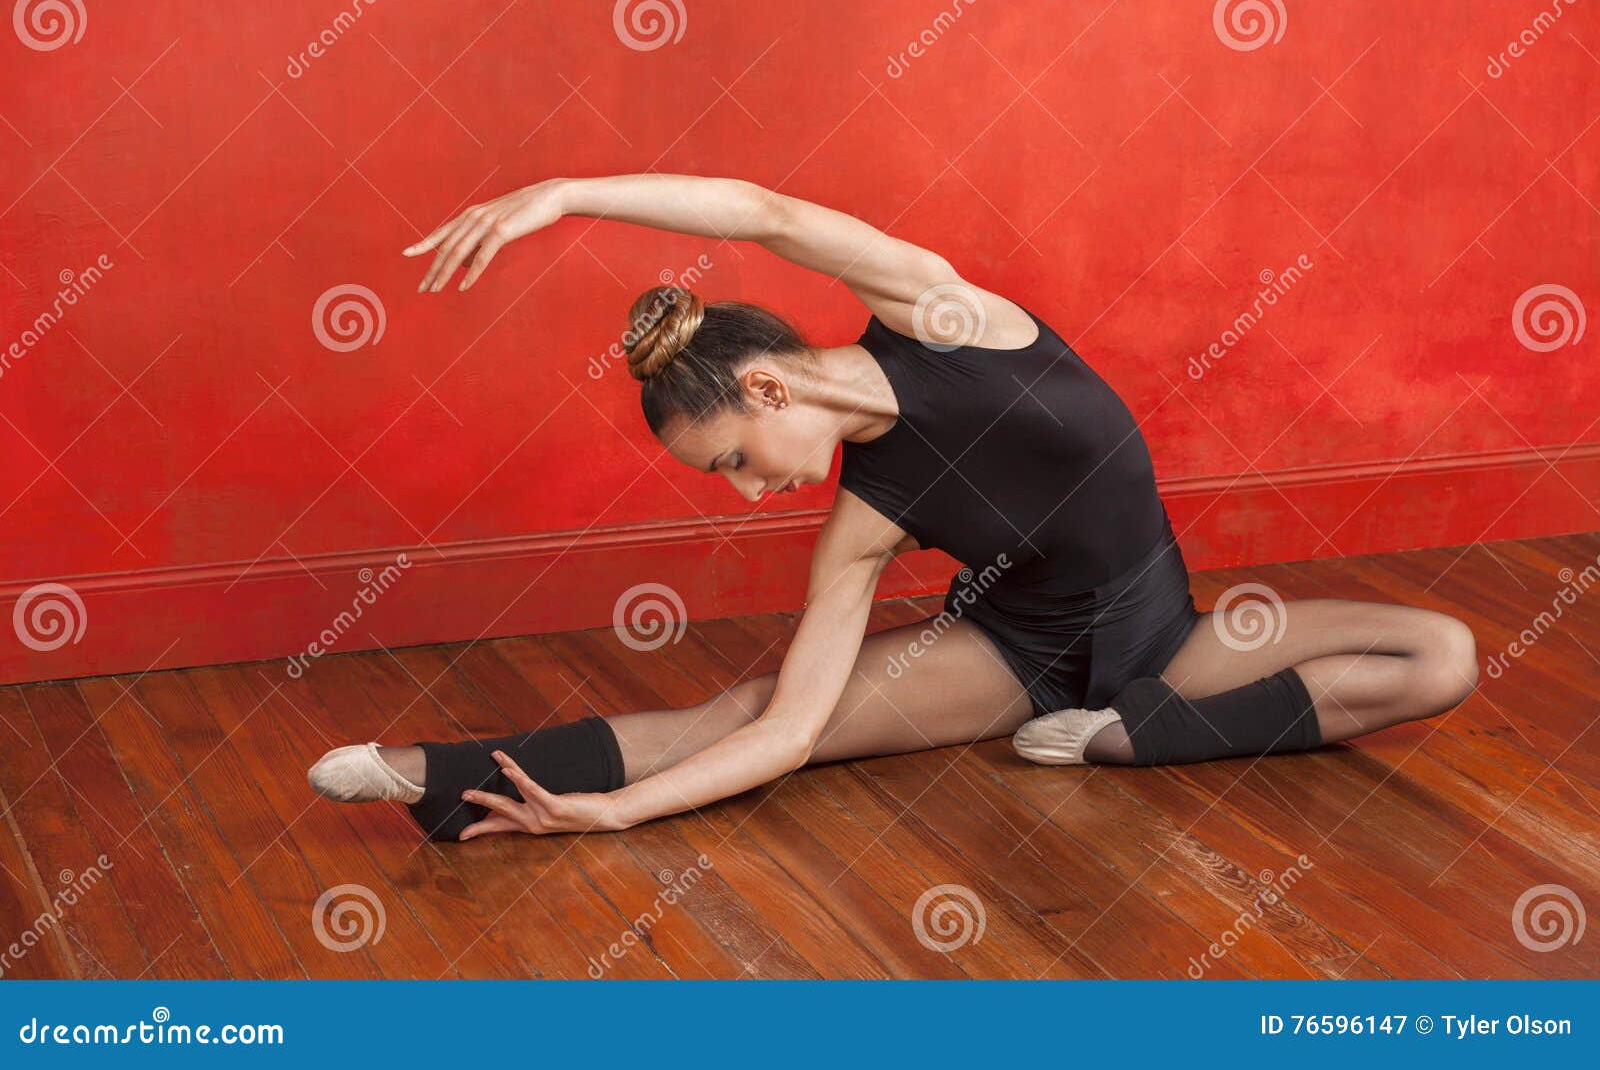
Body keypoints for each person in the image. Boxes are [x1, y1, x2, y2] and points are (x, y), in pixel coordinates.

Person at [307, 173, 1480, 842]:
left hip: (1169, 639)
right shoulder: (864, 517)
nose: (753, 489)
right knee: (752, 699)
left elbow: (764, 213)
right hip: (1017, 659)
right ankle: (436, 773)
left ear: (764, 384)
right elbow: (786, 732)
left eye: (734, 458)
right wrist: (617, 816)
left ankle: (1135, 741)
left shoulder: (940, 317)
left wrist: (564, 194)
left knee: (1443, 654)